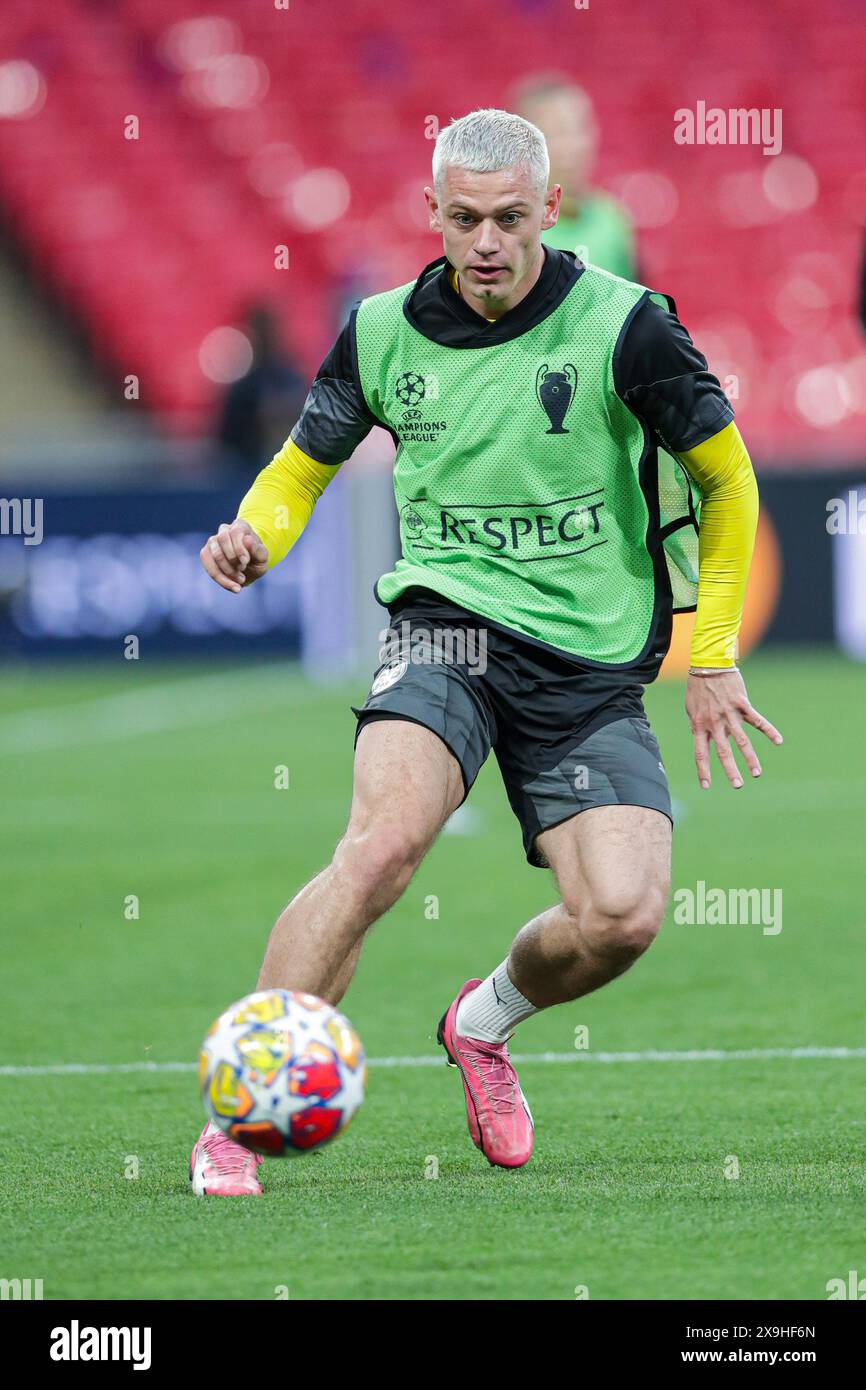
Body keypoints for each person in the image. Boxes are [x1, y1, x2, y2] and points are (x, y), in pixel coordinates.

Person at [192, 108, 782, 1196]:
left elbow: (726, 479)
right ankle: (239, 1113)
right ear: (432, 213)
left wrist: (709, 655)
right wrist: (254, 535)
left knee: (620, 915)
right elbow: (297, 470)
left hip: (586, 663)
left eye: (510, 219)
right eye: (463, 219)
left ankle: (480, 1023)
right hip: (443, 628)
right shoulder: (378, 331)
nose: (486, 244)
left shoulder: (626, 327)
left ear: (552, 212)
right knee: (377, 849)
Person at [511, 74, 636, 277]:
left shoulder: (612, 218)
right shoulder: (513, 231)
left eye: (580, 129)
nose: (574, 145)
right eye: (558, 133)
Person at [217, 305, 306, 476]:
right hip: (249, 473)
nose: (265, 336)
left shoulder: (291, 378)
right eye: (260, 329)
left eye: (268, 329)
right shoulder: (242, 387)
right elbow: (227, 439)